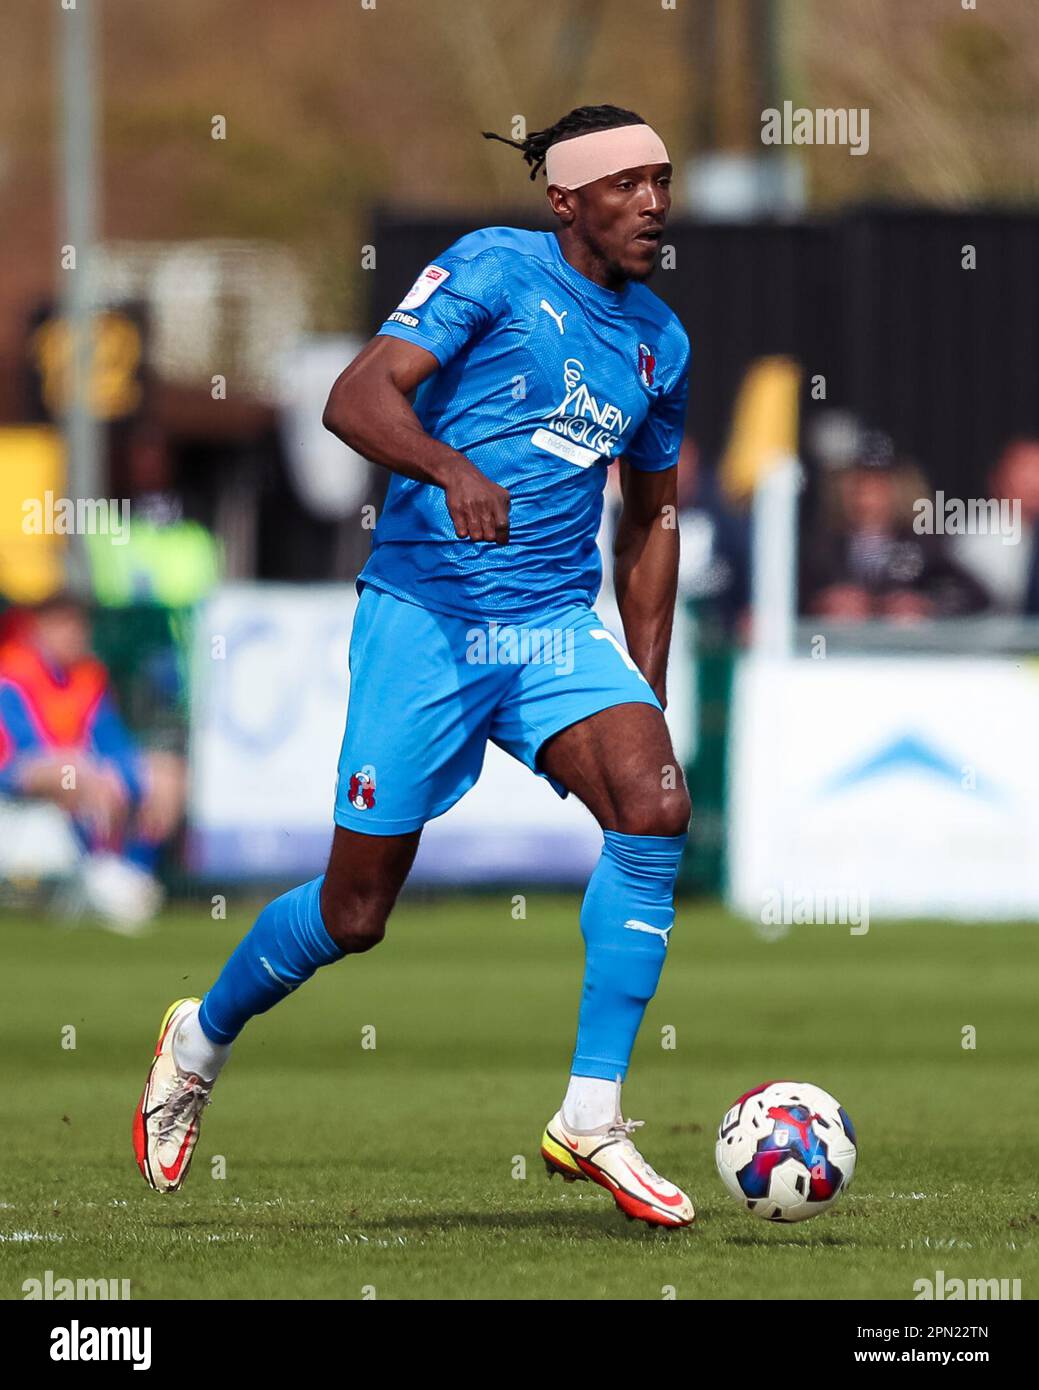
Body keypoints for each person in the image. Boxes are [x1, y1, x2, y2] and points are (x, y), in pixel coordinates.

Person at [134, 106, 695, 1227]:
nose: (650, 204)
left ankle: (589, 1114)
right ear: (565, 199)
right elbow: (356, 395)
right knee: (355, 913)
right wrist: (447, 468)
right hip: (426, 618)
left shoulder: (661, 344)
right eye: (624, 184)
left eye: (661, 182)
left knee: (655, 802)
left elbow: (654, 515)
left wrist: (643, 678)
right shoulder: (493, 267)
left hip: (544, 627)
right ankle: (199, 1037)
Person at [0, 593, 184, 927]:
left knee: (165, 774)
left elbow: (114, 742)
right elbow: (21, 746)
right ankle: (96, 870)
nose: (74, 634)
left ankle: (133, 873)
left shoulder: (89, 676)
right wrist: (85, 765)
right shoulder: (12, 673)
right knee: (74, 770)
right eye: (64, 625)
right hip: (18, 772)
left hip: (79, 768)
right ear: (39, 628)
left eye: (79, 625)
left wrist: (118, 769)